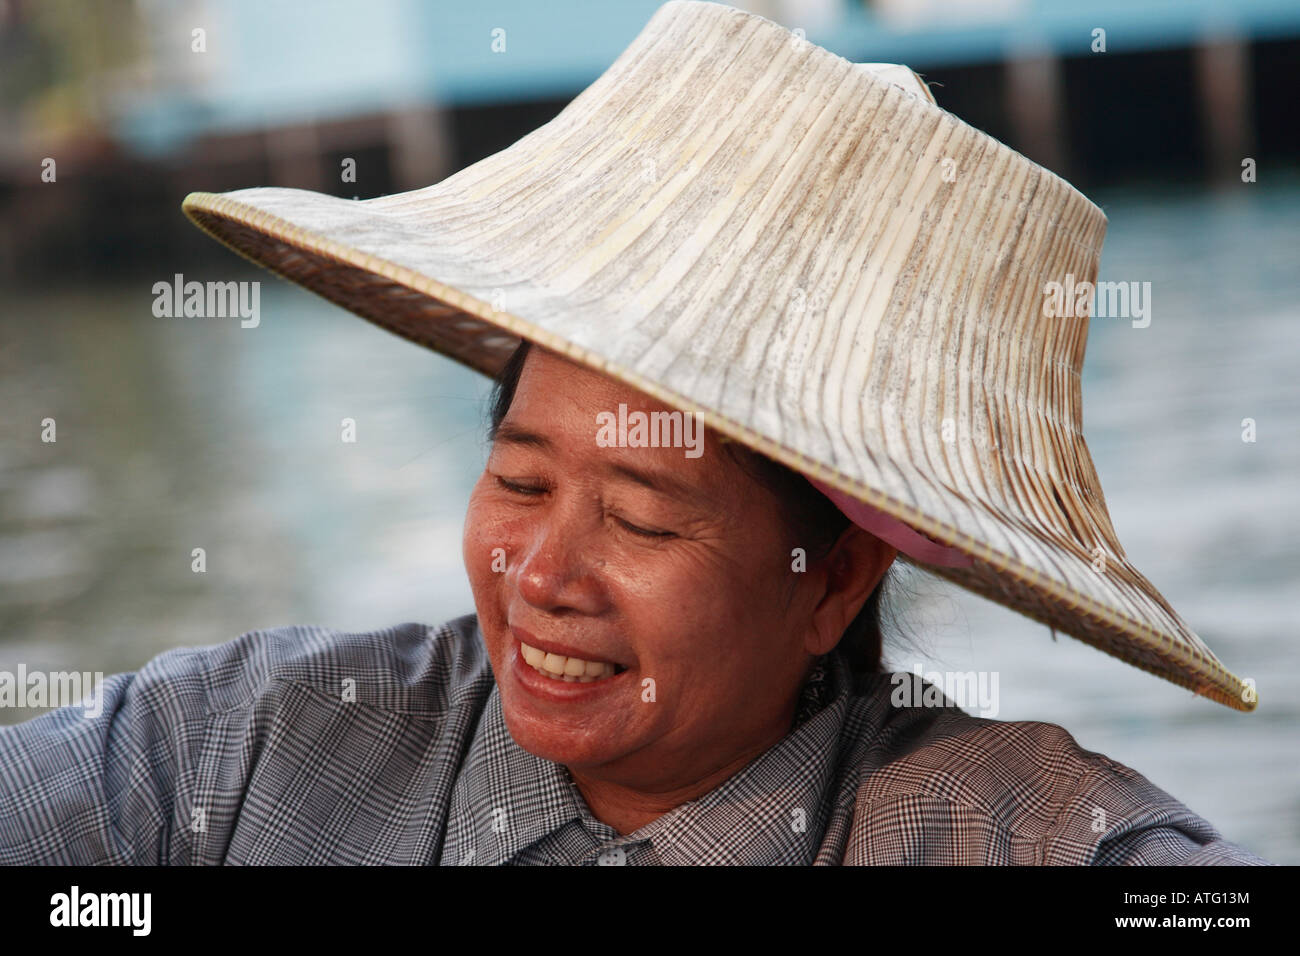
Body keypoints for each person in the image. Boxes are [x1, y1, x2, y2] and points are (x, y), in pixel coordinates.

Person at [0, 0, 1270, 865]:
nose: (542, 577)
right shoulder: (244, 745)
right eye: (518, 477)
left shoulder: (1021, 837)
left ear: (830, 578)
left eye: (644, 516)